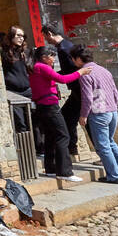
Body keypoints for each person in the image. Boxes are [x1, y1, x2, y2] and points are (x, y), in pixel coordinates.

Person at [29, 45, 91, 181]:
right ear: (44, 57)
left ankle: (51, 168)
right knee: (63, 136)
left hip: (42, 106)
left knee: (51, 136)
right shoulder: (42, 67)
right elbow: (62, 79)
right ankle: (65, 171)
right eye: (52, 56)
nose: (53, 59)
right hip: (49, 105)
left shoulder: (36, 67)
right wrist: (81, 72)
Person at [75, 49, 118, 184]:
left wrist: (83, 115)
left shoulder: (85, 74)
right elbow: (115, 92)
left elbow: (87, 97)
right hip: (112, 110)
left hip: (99, 112)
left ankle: (114, 176)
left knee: (103, 146)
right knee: (110, 142)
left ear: (78, 59)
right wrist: (113, 106)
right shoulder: (104, 70)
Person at [42, 24, 83, 156]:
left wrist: (53, 76)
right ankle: (72, 148)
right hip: (76, 90)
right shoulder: (65, 46)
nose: (46, 40)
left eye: (45, 36)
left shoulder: (64, 49)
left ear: (49, 33)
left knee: (85, 121)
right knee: (68, 117)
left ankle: (102, 154)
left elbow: (72, 70)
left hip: (79, 90)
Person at [0, 26, 37, 145]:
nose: (21, 38)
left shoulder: (26, 52)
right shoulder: (5, 53)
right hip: (14, 92)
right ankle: (26, 149)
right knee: (20, 123)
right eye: (18, 36)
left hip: (28, 90)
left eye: (23, 36)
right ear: (11, 37)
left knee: (34, 119)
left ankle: (39, 148)